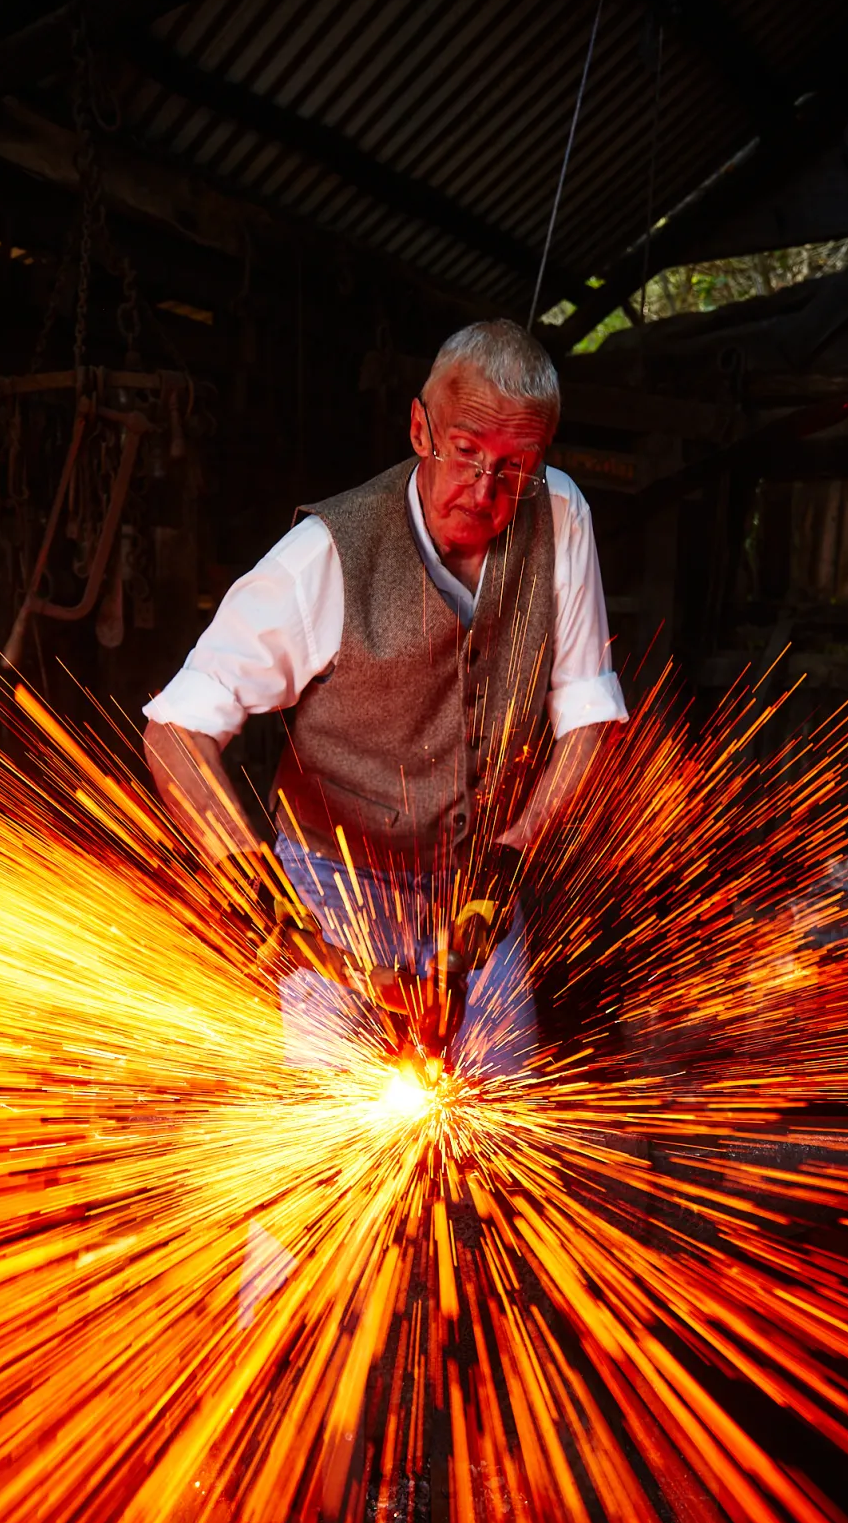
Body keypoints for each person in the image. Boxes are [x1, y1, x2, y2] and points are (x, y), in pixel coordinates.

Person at [143, 319, 627, 1076]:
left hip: (477, 880)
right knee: (338, 1147)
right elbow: (175, 729)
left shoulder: (560, 515)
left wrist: (511, 857)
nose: (486, 488)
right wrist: (252, 891)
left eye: (515, 467)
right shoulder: (326, 557)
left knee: (502, 1125)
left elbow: (589, 715)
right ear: (420, 428)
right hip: (330, 890)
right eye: (467, 453)